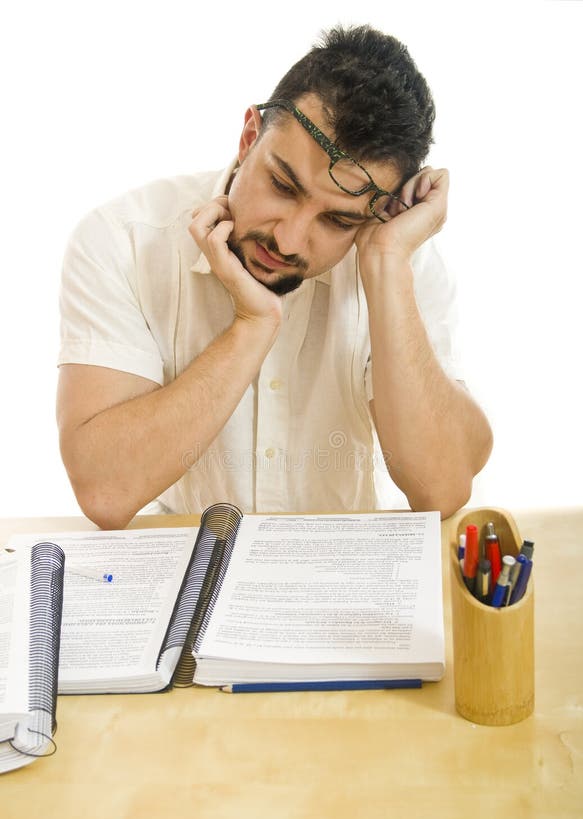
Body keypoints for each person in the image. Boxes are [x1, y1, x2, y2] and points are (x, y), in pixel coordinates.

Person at [57, 24, 492, 530]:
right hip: (189, 563)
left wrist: (387, 265)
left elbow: (442, 486)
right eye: (283, 186)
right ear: (249, 138)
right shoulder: (123, 240)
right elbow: (105, 490)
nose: (288, 240)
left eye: (338, 220)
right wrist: (252, 325)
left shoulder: (398, 258)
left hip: (341, 564)